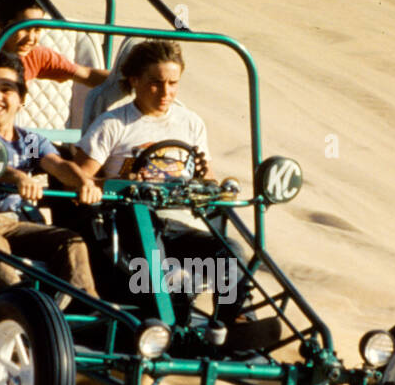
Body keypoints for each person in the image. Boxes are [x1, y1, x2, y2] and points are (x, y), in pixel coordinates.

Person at [70, 40, 278, 348]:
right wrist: (119, 181)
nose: (165, 93)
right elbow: (79, 178)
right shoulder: (113, 123)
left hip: (180, 222)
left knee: (231, 249)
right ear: (134, 81)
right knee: (153, 248)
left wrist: (210, 182)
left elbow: (205, 180)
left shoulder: (190, 123)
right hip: (127, 224)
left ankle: (229, 321)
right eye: (155, 84)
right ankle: (164, 326)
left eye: (172, 83)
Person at [0, 53, 102, 299]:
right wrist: (19, 178)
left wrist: (83, 182)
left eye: (6, 90)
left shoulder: (29, 142)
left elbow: (57, 164)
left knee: (70, 241)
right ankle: (18, 305)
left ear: (21, 98)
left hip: (12, 221)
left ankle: (82, 302)